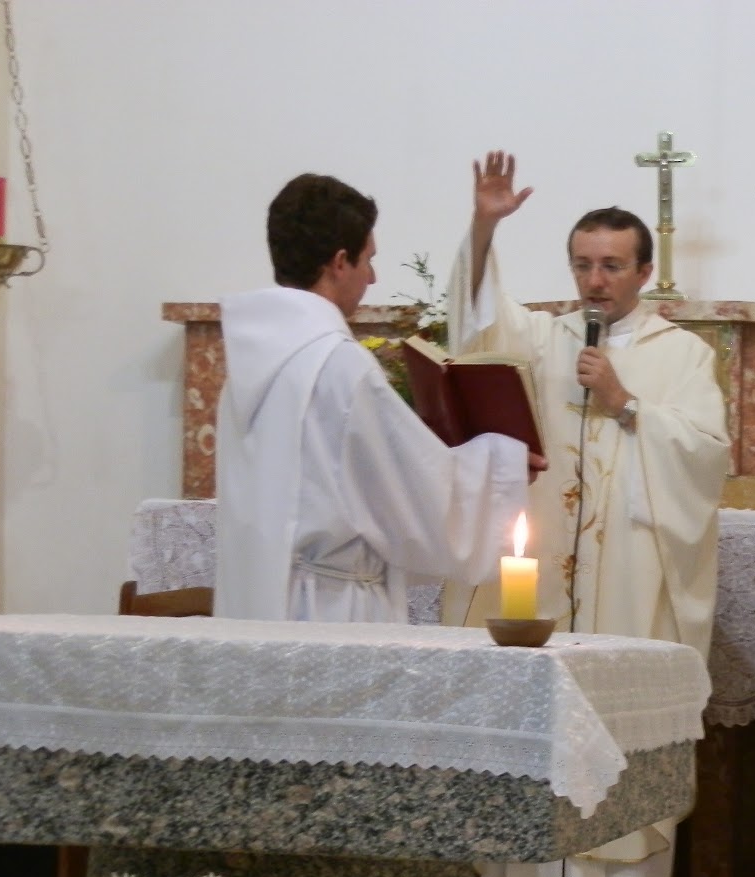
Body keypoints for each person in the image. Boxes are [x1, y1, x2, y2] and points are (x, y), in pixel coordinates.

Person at [445, 151, 730, 877]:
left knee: (621, 730)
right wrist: (484, 227)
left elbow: (707, 456)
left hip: (632, 580)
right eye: (582, 265)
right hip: (546, 580)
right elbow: (473, 326)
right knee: (540, 734)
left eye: (611, 266)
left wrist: (625, 403)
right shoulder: (543, 337)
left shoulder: (681, 354)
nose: (595, 281)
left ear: (644, 272)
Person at [215, 173, 542, 622]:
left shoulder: (249, 364)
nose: (372, 276)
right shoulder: (338, 365)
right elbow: (415, 495)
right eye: (368, 259)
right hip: (331, 610)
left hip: (259, 602)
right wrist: (503, 465)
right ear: (339, 262)